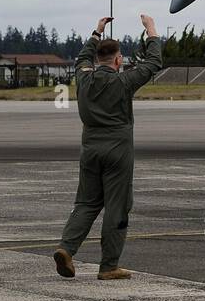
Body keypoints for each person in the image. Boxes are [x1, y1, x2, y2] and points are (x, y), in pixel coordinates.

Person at [54, 15, 163, 280]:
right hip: (118, 149)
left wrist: (96, 32)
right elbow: (153, 63)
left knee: (86, 203)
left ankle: (67, 249)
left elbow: (82, 59)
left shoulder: (83, 78)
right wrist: (151, 32)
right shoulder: (123, 81)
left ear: (97, 59)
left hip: (90, 148)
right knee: (118, 207)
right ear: (118, 61)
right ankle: (109, 265)